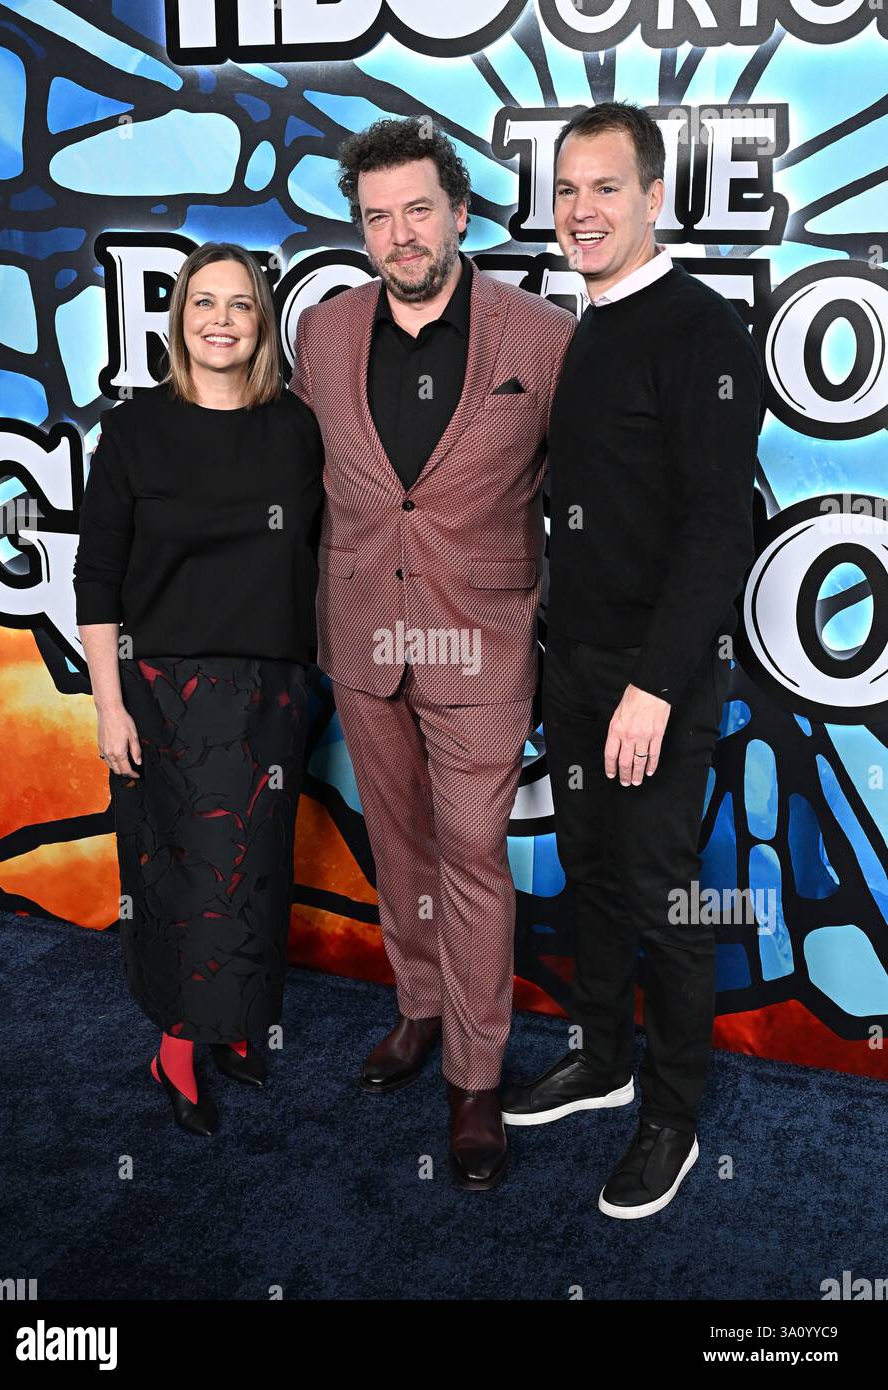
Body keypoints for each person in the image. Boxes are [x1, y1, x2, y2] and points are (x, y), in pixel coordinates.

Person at [289, 117, 575, 1190]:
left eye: (419, 210)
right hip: (363, 639)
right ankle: (415, 1009)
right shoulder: (321, 332)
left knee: (469, 856)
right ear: (360, 230)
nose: (400, 234)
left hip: (482, 645)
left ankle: (474, 1079)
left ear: (460, 212)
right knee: (400, 848)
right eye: (378, 217)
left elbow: (586, 493)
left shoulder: (542, 338)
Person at [501, 102, 763, 1218]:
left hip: (659, 674)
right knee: (592, 875)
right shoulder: (587, 325)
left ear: (654, 198)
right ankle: (603, 1059)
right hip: (579, 662)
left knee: (661, 895)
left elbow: (718, 523)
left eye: (604, 187)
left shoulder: (702, 331)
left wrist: (654, 685)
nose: (580, 210)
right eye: (565, 189)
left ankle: (672, 1109)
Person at [73, 242, 323, 1137]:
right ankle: (177, 1043)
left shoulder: (296, 427)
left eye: (241, 304)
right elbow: (97, 575)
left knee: (254, 874)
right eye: (202, 303)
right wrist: (108, 704)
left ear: (263, 323)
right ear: (179, 320)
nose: (220, 319)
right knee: (177, 873)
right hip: (158, 691)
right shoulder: (136, 428)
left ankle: (238, 1025)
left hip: (271, 692)